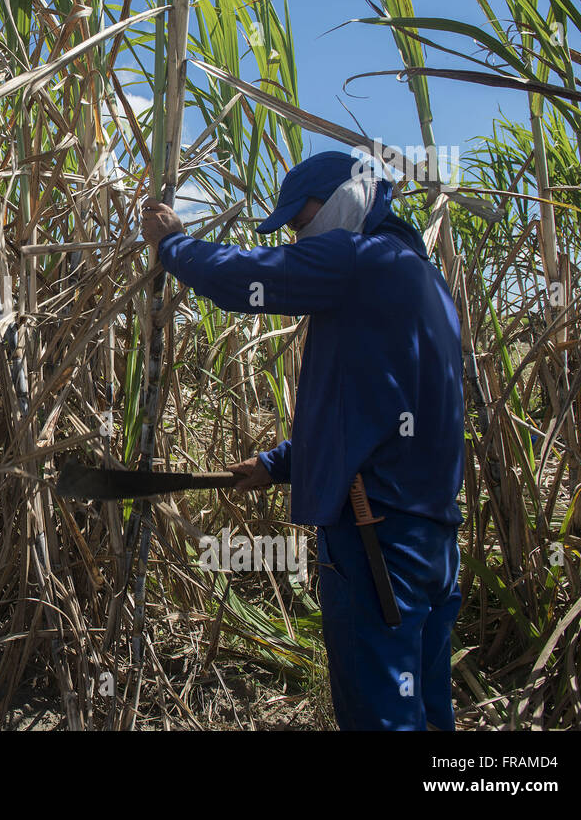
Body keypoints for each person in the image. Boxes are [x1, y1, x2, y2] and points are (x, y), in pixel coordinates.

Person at [139, 150, 465, 730]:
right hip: (432, 540)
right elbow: (382, 412)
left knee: (380, 715)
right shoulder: (424, 280)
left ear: (347, 195)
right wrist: (277, 463)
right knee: (428, 708)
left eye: (301, 215)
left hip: (375, 538)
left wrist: (173, 247)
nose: (296, 229)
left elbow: (249, 279)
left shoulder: (359, 260)